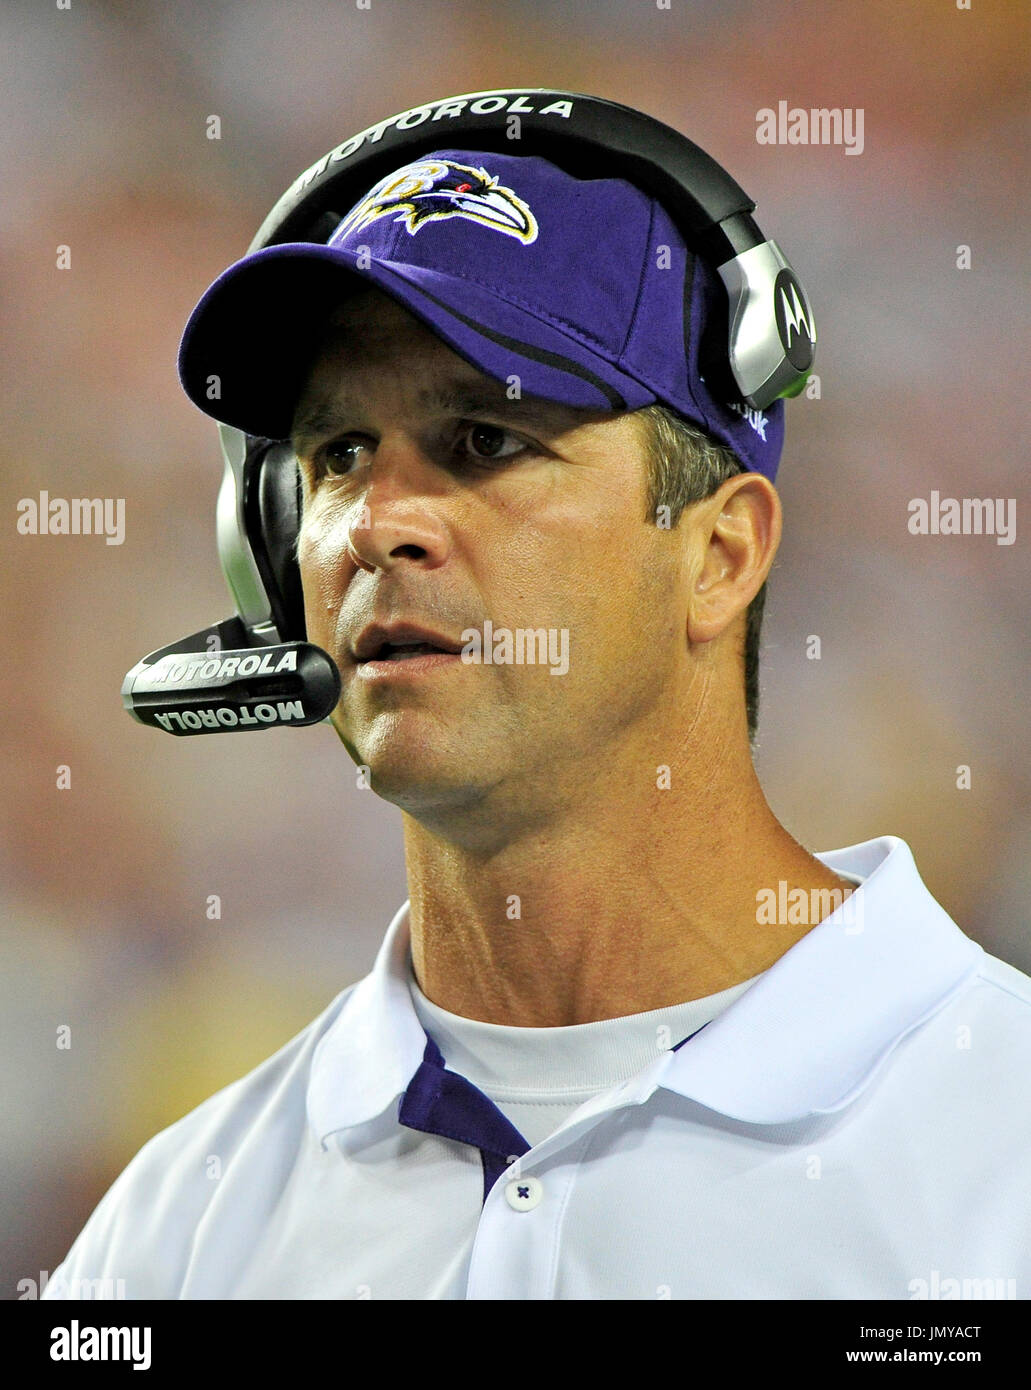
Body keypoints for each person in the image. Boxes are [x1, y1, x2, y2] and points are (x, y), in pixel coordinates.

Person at [44, 138, 1031, 1302]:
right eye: (339, 453)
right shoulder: (175, 1228)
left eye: (485, 441)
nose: (377, 523)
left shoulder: (996, 1138)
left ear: (718, 556)